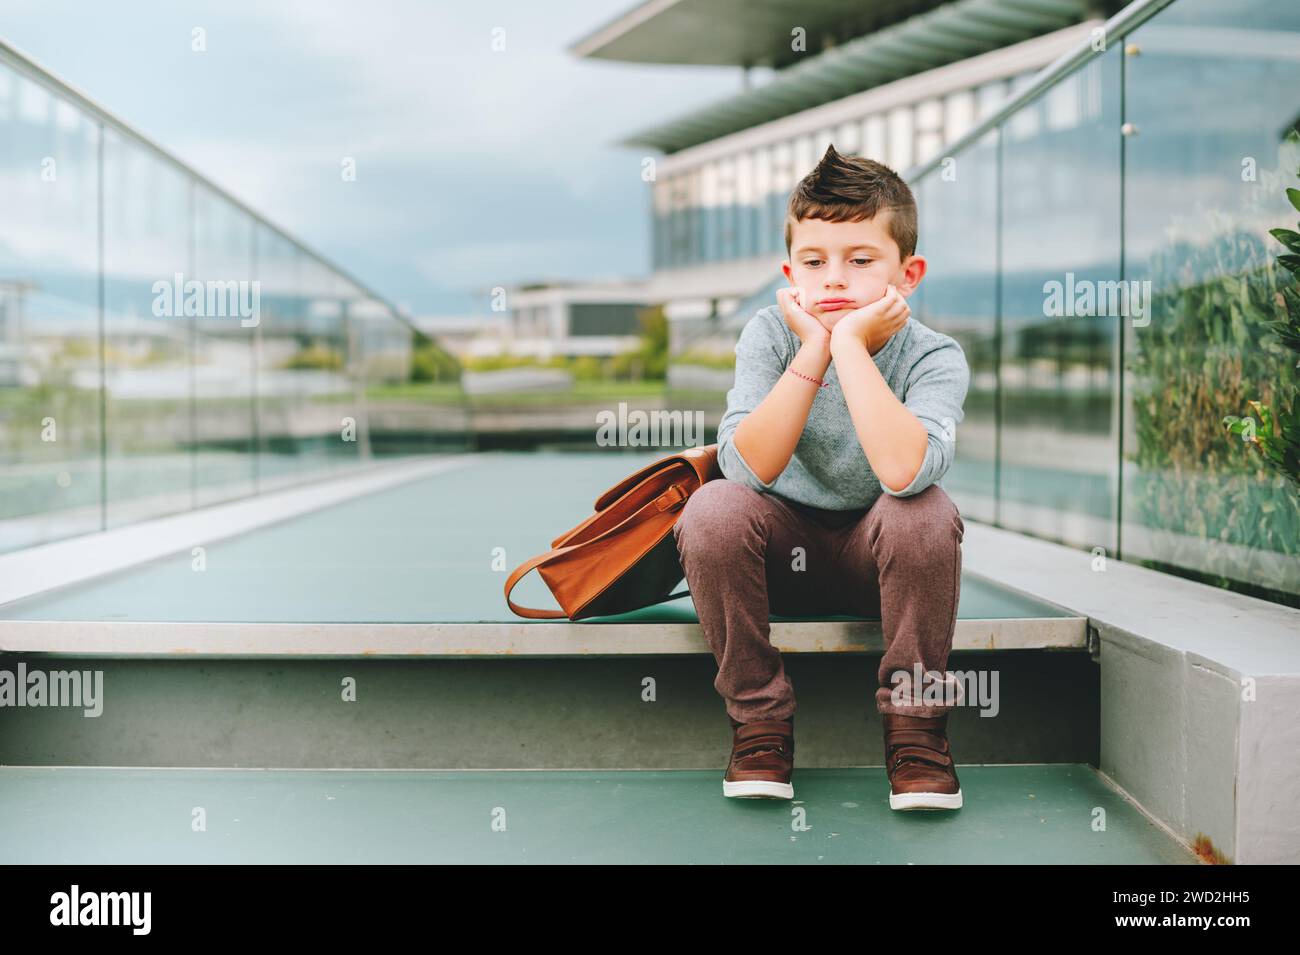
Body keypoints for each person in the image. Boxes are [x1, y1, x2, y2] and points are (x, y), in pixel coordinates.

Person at [673, 144, 970, 810]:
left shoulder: (936, 358)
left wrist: (849, 347)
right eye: (815, 263)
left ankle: (916, 729)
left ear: (908, 273)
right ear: (790, 273)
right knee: (711, 509)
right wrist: (814, 347)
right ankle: (759, 721)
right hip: (779, 561)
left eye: (860, 261)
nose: (834, 280)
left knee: (924, 508)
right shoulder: (770, 335)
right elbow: (746, 468)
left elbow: (902, 470)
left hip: (879, 566)